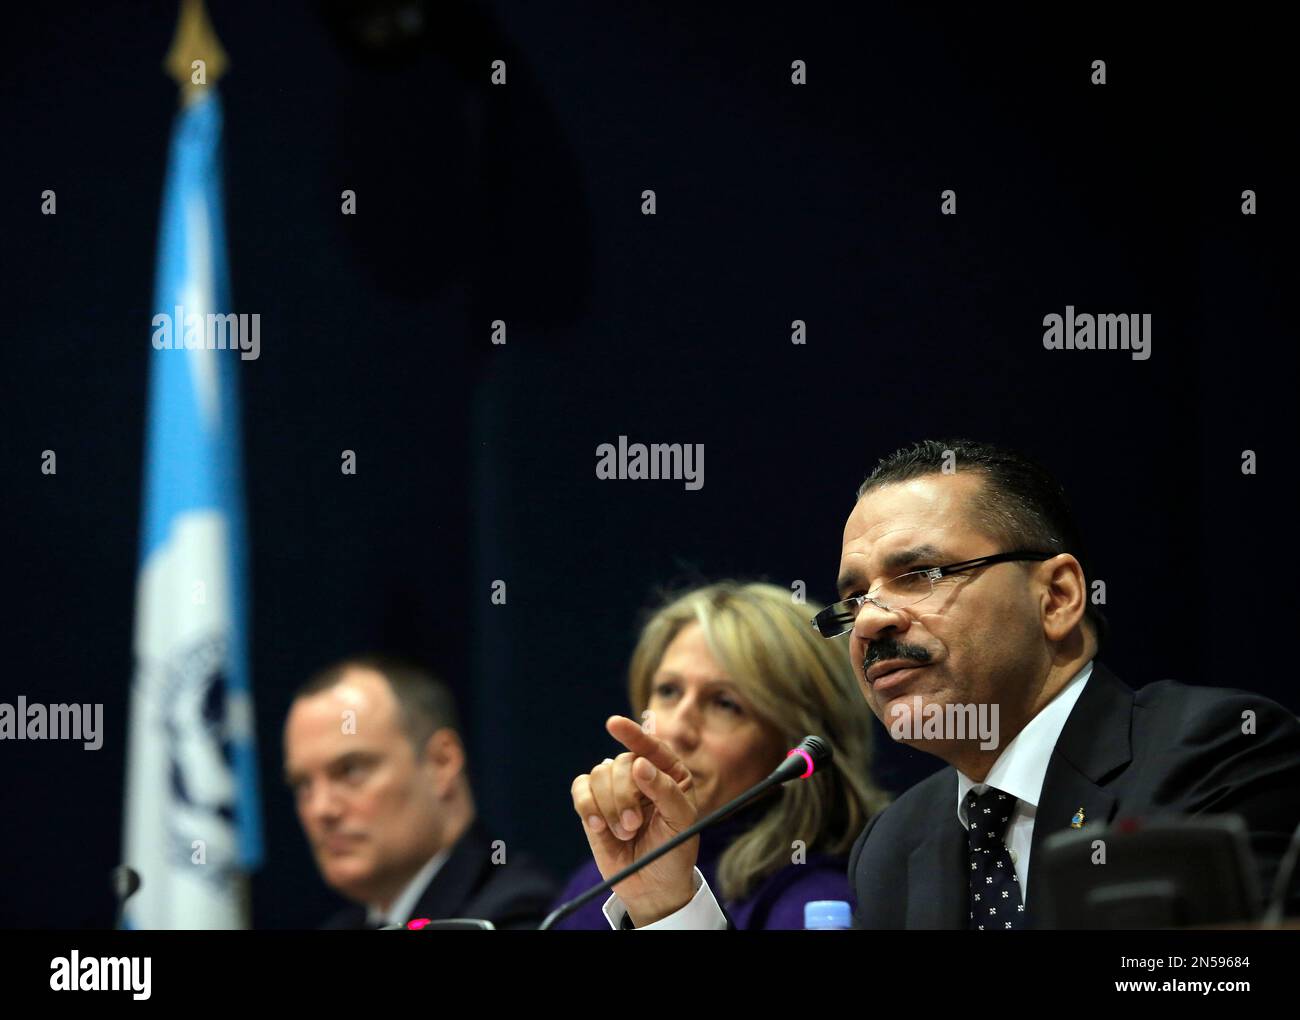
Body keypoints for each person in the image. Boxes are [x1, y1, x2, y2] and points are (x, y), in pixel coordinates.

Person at [571, 439, 1300, 928]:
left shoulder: (1211, 756)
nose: (870, 623)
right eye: (853, 597)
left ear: (1057, 598)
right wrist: (667, 903)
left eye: (920, 575)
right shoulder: (897, 845)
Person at [560, 581, 889, 928]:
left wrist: (664, 908)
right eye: (669, 691)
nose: (675, 729)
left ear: (794, 742)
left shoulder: (815, 904)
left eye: (724, 703)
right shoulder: (601, 880)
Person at [284, 655, 556, 928]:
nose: (321, 809)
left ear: (441, 762)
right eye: (303, 785)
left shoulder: (515, 913)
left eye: (350, 771)